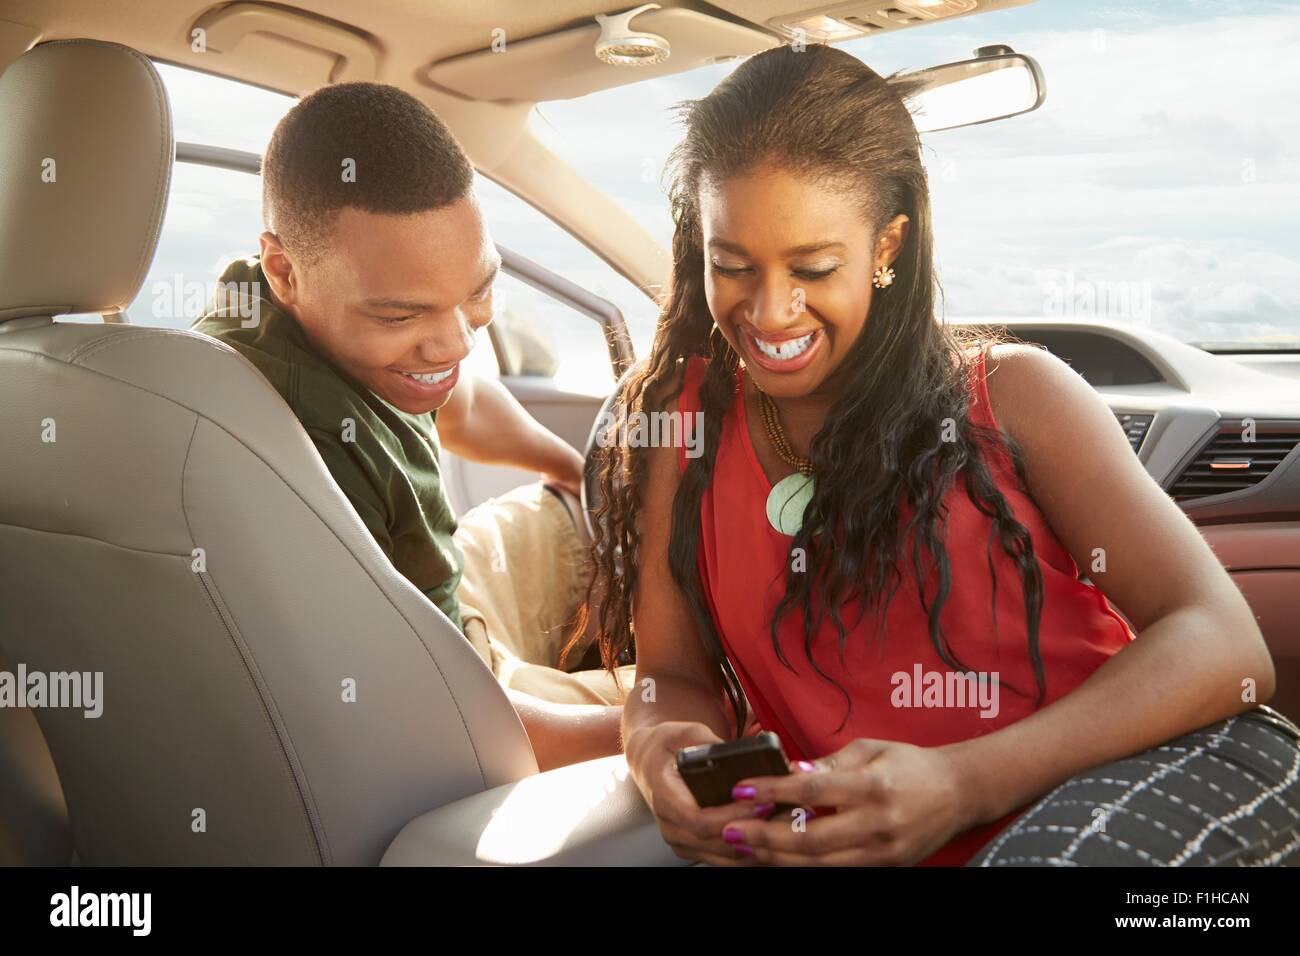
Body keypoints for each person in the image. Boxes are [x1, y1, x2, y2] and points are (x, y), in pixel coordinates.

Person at [590, 44, 1300, 865]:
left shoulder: (1017, 394)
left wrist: (964, 784)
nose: (770, 311)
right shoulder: (683, 427)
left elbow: (1221, 640)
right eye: (732, 266)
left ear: (887, 247)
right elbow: (669, 675)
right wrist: (659, 748)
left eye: (814, 267)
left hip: (1146, 778)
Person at [193, 82, 635, 772]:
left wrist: (571, 470)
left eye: (478, 292)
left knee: (576, 513)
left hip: (435, 611)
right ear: (287, 269)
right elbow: (442, 722)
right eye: (402, 317)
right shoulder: (301, 460)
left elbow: (455, 399)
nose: (456, 343)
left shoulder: (253, 299)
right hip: (459, 695)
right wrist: (668, 725)